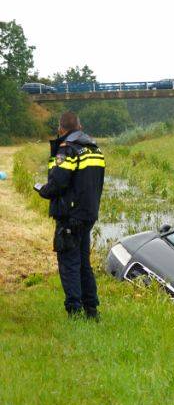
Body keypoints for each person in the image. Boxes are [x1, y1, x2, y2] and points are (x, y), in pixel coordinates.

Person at [36, 111, 106, 319]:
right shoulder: (94, 148)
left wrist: (43, 190)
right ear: (80, 127)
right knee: (84, 263)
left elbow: (58, 182)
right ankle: (91, 310)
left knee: (69, 263)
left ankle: (74, 311)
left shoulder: (67, 149)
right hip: (88, 214)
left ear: (61, 129)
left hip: (70, 215)